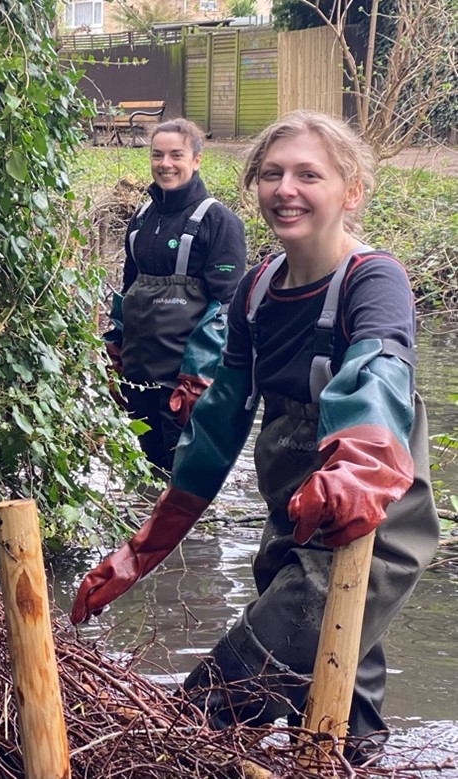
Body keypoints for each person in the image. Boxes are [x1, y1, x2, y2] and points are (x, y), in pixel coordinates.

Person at [72, 111, 439, 765]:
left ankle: (158, 761)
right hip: (291, 514)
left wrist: (356, 466)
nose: (284, 189)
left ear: (350, 190)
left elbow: (377, 370)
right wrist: (142, 548)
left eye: (307, 174)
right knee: (338, 712)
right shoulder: (255, 292)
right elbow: (216, 426)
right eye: (271, 173)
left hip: (368, 519)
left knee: (221, 695)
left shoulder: (372, 280)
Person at [104, 118, 247, 472]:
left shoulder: (219, 222)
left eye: (175, 155)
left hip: (185, 382)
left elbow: (226, 307)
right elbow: (128, 289)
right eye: (157, 155)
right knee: (148, 471)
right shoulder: (141, 216)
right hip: (138, 372)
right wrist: (115, 349)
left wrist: (201, 377)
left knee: (181, 473)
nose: (165, 164)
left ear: (196, 159)